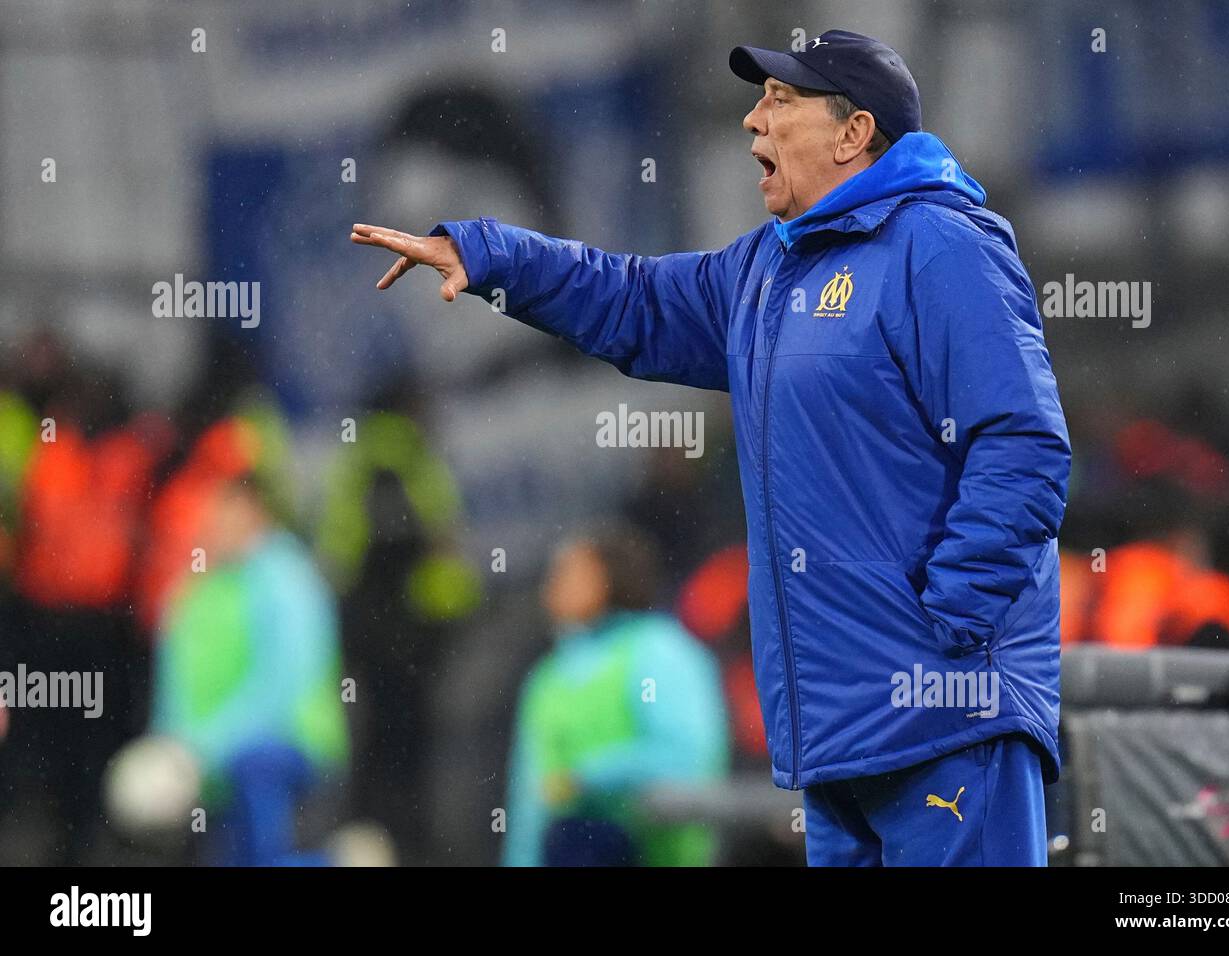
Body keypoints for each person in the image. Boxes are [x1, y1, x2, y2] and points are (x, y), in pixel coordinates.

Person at [353, 30, 1070, 866]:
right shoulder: (765, 272)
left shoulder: (941, 246)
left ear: (852, 133)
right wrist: (487, 253)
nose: (752, 121)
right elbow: (630, 300)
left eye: (780, 101)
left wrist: (944, 623)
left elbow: (1024, 445)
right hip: (840, 740)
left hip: (945, 720)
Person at [152, 472, 348, 866]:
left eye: (223, 512)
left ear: (253, 511)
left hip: (281, 751)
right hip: (212, 767)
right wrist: (171, 748)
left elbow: (283, 684)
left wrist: (204, 745)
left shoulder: (286, 577)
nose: (212, 524)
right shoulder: (201, 585)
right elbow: (178, 679)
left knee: (268, 856)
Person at [503, 529, 728, 866]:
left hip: (655, 853)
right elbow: (528, 803)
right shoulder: (547, 677)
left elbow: (689, 756)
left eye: (571, 571)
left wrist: (588, 778)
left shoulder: (660, 650)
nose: (554, 585)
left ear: (610, 575)